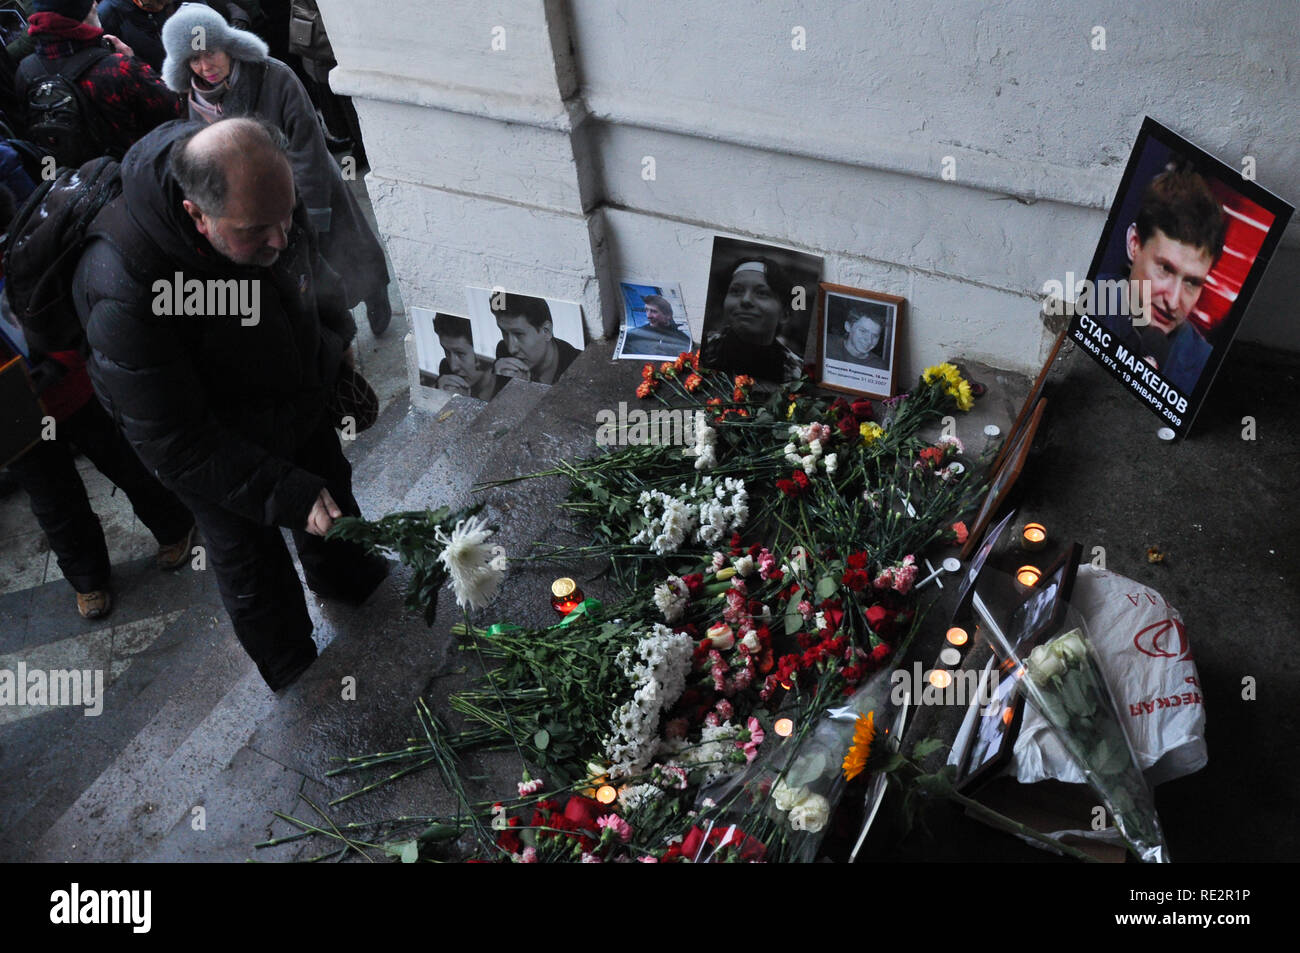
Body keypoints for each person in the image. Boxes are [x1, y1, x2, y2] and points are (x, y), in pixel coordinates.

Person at [72, 116, 389, 691]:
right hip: (215, 449)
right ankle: (296, 673)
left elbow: (313, 273)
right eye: (256, 231)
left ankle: (352, 583)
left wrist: (335, 339)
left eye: (285, 216)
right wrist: (283, 490)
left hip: (294, 397)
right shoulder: (123, 285)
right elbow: (174, 441)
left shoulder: (264, 198)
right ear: (197, 215)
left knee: (332, 506)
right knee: (251, 562)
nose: (280, 238)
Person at [1, 179, 195, 619]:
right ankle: (88, 579)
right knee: (52, 499)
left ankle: (174, 524)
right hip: (12, 413)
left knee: (121, 458)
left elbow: (67, 299)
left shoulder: (24, 247)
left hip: (69, 384)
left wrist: (60, 357)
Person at [158, 3, 392, 335]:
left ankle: (374, 292)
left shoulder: (274, 74)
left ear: (227, 44)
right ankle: (336, 320)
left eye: (210, 52)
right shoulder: (195, 100)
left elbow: (307, 146)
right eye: (194, 59)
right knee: (311, 275)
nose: (204, 65)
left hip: (311, 184)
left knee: (346, 250)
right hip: (261, 203)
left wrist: (313, 210)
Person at [1096, 166, 1226, 396]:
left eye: (1192, 282)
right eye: (1165, 269)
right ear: (1134, 244)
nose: (1173, 302)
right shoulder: (1086, 300)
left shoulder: (1202, 367)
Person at [16, 0, 183, 160]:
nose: (96, 4)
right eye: (90, 5)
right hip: (135, 171)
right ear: (79, 13)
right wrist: (136, 63)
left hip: (75, 181)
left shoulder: (26, 71)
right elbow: (173, 108)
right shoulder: (118, 68)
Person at [701, 257, 804, 382]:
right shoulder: (702, 350)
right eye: (735, 291)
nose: (746, 300)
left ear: (784, 314)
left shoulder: (796, 374)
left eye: (762, 293)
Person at [492, 292, 579, 386]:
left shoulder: (581, 366)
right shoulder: (503, 353)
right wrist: (498, 380)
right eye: (504, 332)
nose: (511, 349)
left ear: (546, 331)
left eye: (519, 334)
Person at [434, 312, 503, 401]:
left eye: (460, 354)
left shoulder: (509, 381)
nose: (453, 367)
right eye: (446, 351)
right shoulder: (445, 372)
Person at [621, 293, 692, 357]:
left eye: (654, 311)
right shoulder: (633, 335)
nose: (648, 316)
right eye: (646, 310)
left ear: (668, 315)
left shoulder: (682, 339)